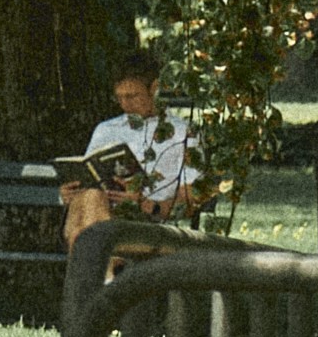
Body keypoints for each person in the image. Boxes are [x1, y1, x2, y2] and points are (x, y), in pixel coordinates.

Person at [65, 52, 216, 234]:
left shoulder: (182, 133)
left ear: (154, 88)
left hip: (151, 222)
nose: (125, 105)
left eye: (132, 96)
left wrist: (145, 204)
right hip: (101, 215)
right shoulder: (106, 129)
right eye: (119, 97)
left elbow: (191, 199)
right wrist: (69, 194)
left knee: (90, 206)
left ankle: (90, 250)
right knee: (88, 198)